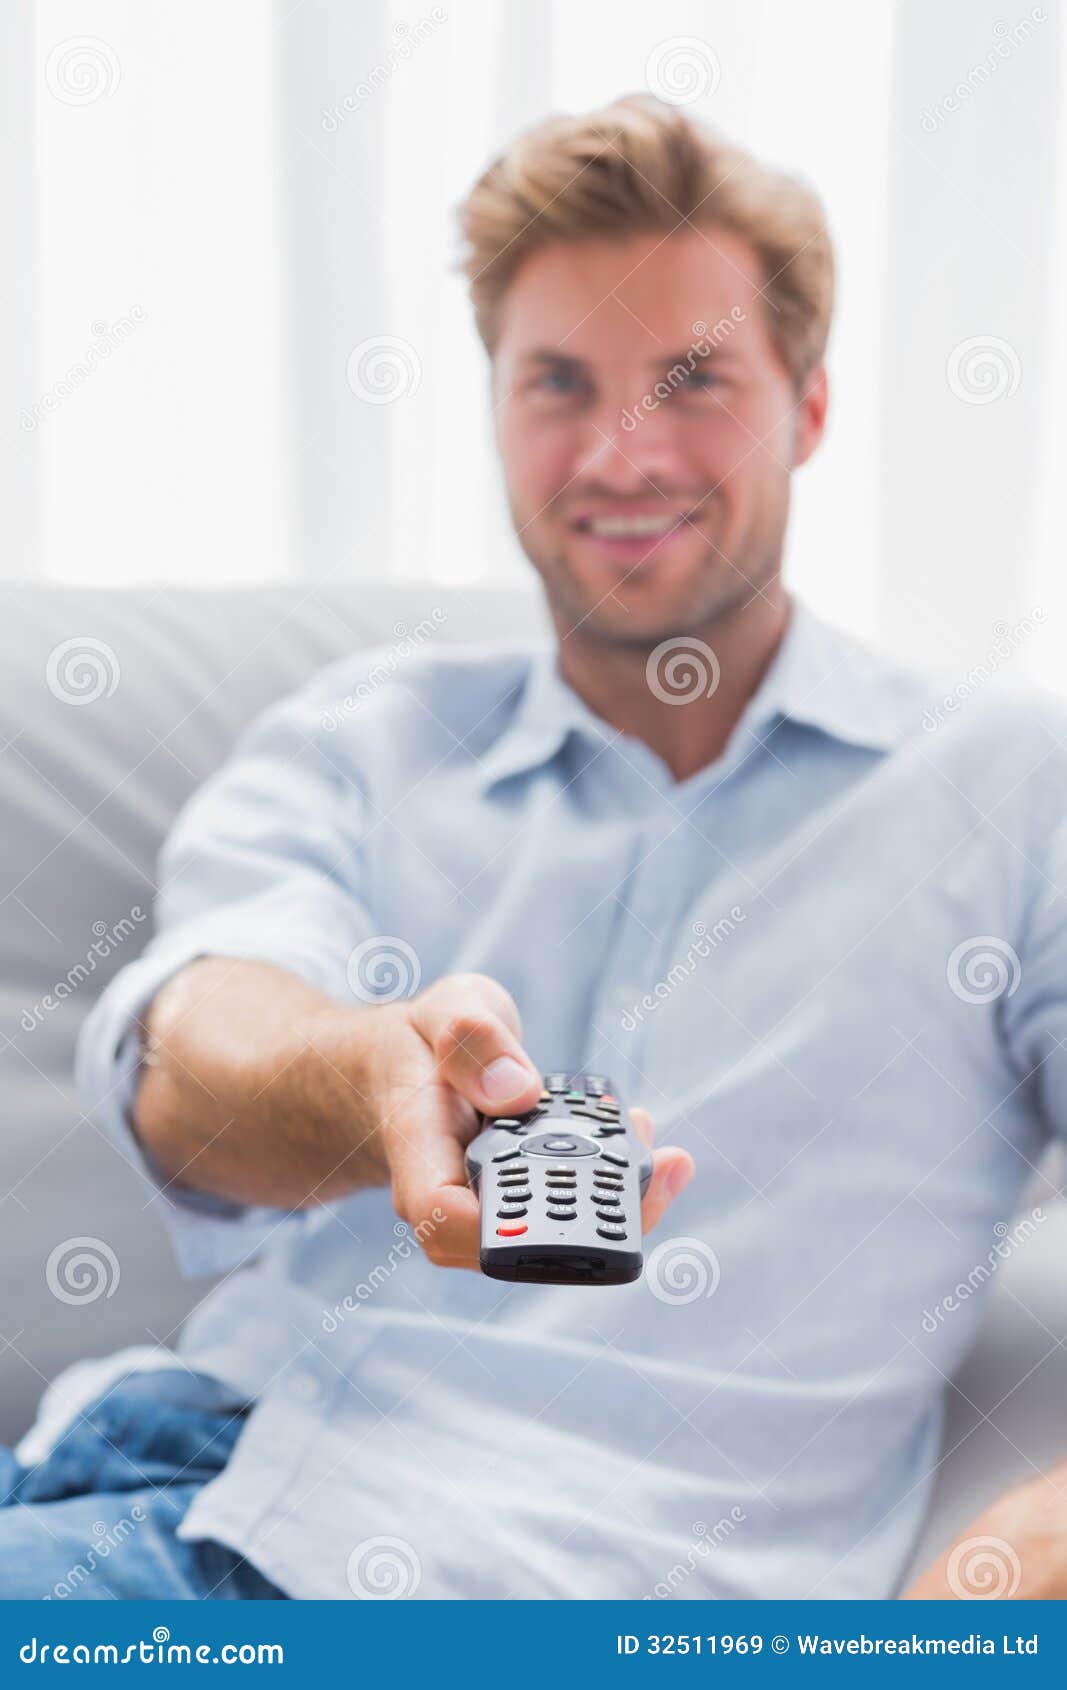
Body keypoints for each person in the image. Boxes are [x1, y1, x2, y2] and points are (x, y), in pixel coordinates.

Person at [3, 94, 1065, 1601]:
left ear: (809, 408)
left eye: (692, 379)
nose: (621, 452)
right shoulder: (356, 742)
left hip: (565, 1596)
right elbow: (197, 1043)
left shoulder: (1012, 787)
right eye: (556, 382)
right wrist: (363, 1075)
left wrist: (1029, 1544)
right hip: (149, 1481)